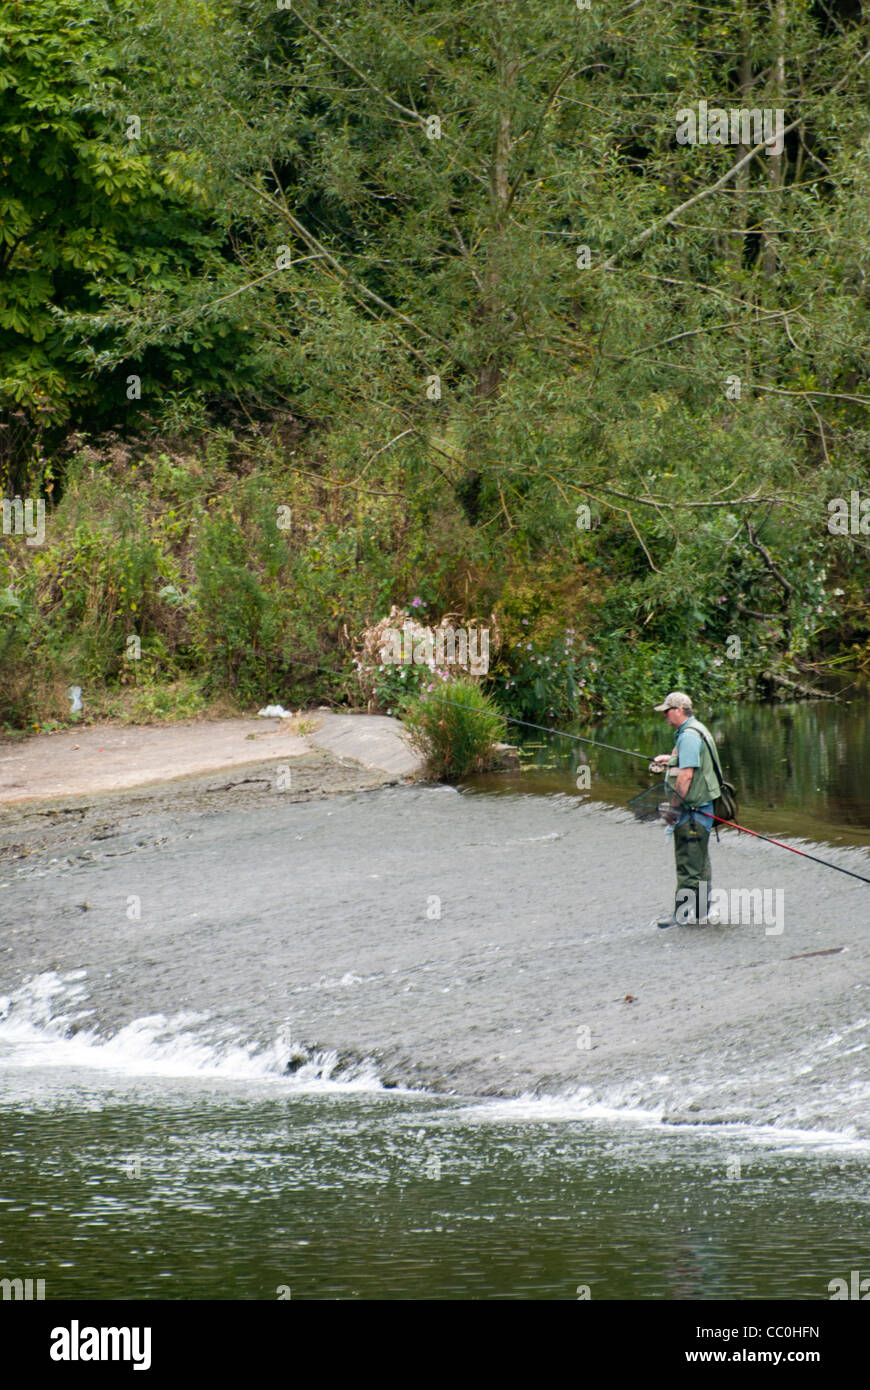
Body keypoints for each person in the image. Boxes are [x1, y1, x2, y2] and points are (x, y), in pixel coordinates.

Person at [648, 692, 722, 929]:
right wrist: (669, 760)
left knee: (688, 864)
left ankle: (680, 917)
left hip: (692, 813)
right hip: (703, 809)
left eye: (667, 711)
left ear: (679, 710)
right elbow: (690, 762)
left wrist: (673, 807)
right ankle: (701, 912)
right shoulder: (697, 729)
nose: (665, 716)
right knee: (700, 862)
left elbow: (687, 775)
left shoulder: (688, 736)